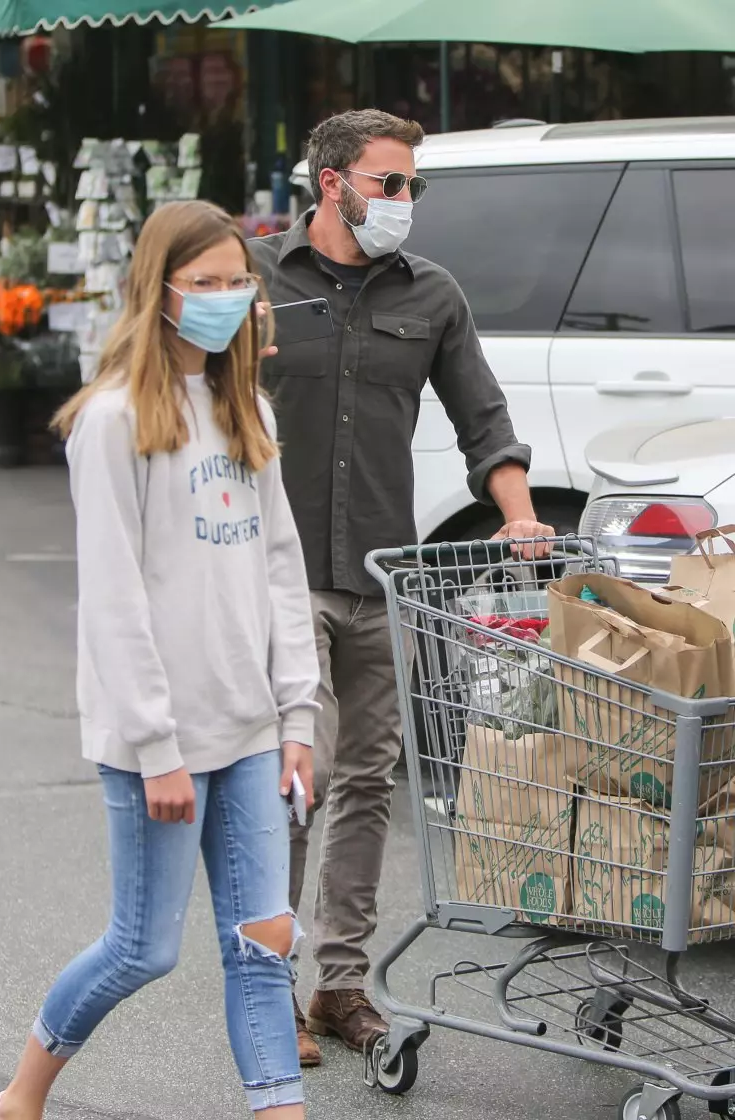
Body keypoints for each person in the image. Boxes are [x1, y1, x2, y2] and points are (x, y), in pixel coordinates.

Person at [0, 200, 319, 1120]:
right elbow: (114, 597)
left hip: (251, 730)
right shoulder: (114, 418)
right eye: (201, 283)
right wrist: (156, 745)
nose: (221, 299)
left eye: (235, 283)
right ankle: (20, 1097)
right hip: (158, 741)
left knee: (263, 944)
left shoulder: (245, 407)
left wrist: (298, 718)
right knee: (144, 949)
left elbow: (282, 567)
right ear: (157, 291)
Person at [249, 109, 555, 1067]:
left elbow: (485, 420)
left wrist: (518, 514)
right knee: (303, 779)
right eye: (390, 184)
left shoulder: (433, 296)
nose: (405, 202)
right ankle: (268, 990)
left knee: (373, 782)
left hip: (384, 574)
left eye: (413, 185)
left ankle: (341, 983)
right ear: (331, 182)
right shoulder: (257, 280)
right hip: (282, 574)